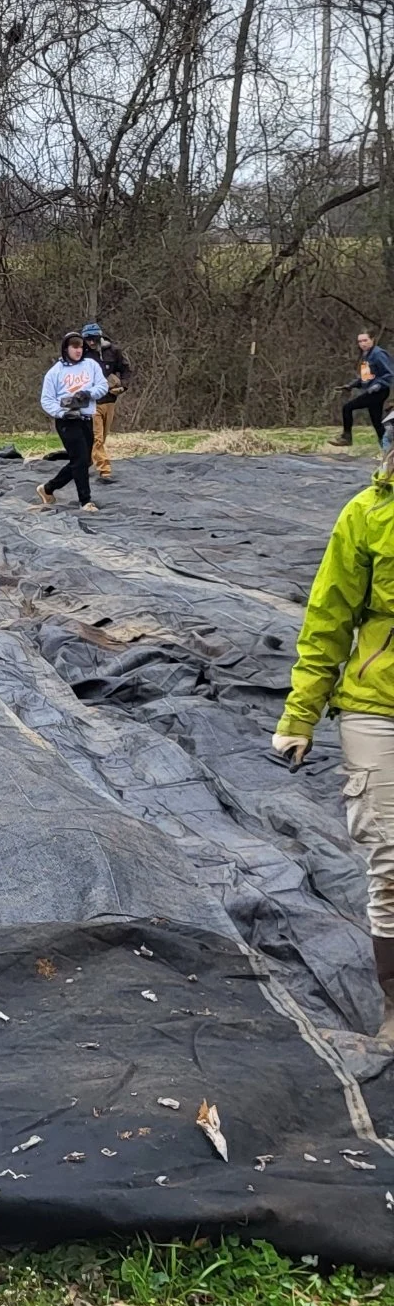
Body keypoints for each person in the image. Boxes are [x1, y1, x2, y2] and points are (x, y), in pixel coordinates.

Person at [273, 432, 394, 1039]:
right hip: (378, 708)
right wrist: (300, 715)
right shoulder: (367, 516)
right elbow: (329, 618)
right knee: (391, 860)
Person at [35, 331, 109, 512]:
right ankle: (85, 501)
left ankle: (48, 488)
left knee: (85, 461)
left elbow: (103, 386)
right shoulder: (55, 372)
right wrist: (61, 413)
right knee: (81, 460)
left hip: (86, 418)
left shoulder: (91, 365)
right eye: (74, 347)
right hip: (67, 421)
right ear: (66, 349)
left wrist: (88, 393)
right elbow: (47, 400)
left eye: (80, 347)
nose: (78, 351)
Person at [79, 323, 131, 483]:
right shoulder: (82, 355)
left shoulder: (114, 351)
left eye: (93, 339)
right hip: (91, 402)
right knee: (97, 438)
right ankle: (104, 470)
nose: (91, 343)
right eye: (87, 340)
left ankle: (83, 464)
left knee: (101, 438)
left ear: (99, 337)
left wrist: (123, 385)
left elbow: (126, 369)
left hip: (110, 400)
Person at [331, 332, 393, 448]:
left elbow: (389, 373)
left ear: (372, 340)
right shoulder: (367, 356)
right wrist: (351, 385)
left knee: (347, 408)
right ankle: (387, 449)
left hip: (379, 391)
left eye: (365, 340)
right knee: (376, 422)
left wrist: (378, 385)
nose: (362, 344)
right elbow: (365, 377)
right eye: (360, 341)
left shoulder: (378, 354)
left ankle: (346, 438)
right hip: (372, 391)